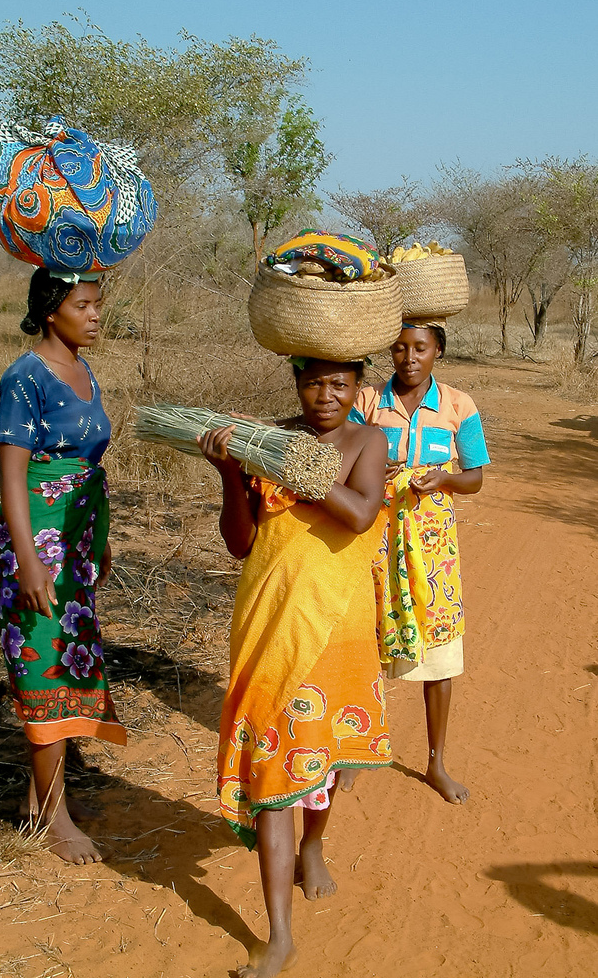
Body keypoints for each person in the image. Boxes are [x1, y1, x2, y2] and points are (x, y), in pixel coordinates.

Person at [199, 358, 391, 978]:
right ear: (296, 383)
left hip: (336, 628)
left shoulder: (367, 440)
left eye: (340, 384)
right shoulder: (268, 438)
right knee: (274, 767)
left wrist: (297, 467)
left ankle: (313, 844)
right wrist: (232, 471)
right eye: (313, 382)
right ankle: (280, 936)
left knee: (322, 753)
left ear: (358, 387)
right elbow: (241, 542)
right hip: (269, 621)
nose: (325, 395)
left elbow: (360, 514)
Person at [0, 267, 125, 865]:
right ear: (51, 311)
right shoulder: (25, 377)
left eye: (97, 304)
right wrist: (28, 560)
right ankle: (53, 815)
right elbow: (12, 475)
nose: (95, 315)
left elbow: (86, 466)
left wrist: (99, 540)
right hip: (35, 543)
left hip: (75, 541)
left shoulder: (83, 369)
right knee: (44, 669)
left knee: (68, 659)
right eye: (83, 305)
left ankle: (39, 796)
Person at [351, 321, 489, 805]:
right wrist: (370, 466)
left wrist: (444, 479)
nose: (409, 357)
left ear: (438, 352)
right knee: (365, 638)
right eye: (400, 347)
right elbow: (341, 451)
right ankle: (355, 751)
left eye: (420, 348)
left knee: (440, 648)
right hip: (374, 534)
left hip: (433, 546)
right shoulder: (367, 401)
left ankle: (436, 762)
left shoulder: (459, 406)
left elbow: (475, 477)